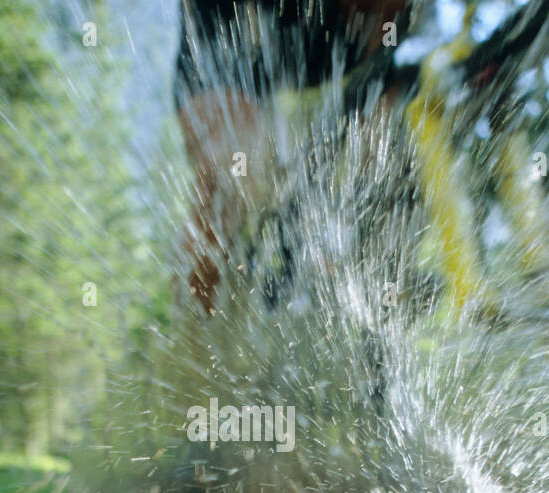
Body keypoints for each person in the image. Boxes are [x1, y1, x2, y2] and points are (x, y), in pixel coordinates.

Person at [175, 1, 413, 316]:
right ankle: (194, 327)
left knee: (391, 143)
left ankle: (363, 289)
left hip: (326, 48)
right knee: (232, 170)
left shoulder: (386, 25)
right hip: (220, 48)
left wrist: (362, 207)